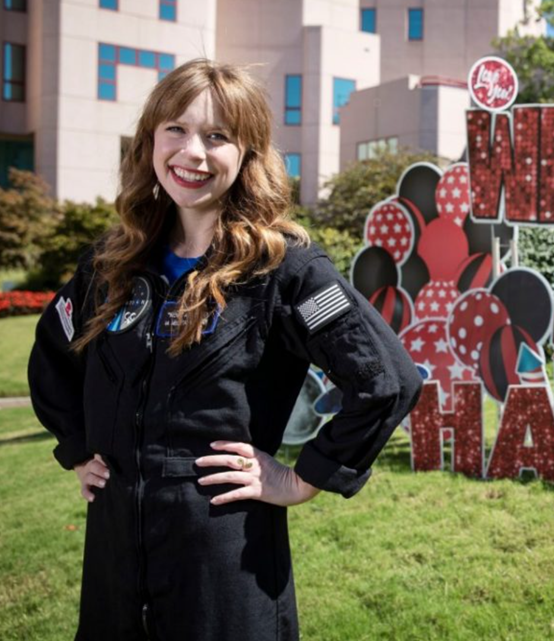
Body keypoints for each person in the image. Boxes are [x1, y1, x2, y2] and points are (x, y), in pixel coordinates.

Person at [27, 59, 423, 640]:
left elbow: (387, 378)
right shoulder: (110, 264)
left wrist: (301, 479)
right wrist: (78, 447)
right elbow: (53, 354)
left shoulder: (284, 269)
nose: (193, 153)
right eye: (177, 130)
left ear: (246, 155)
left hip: (224, 571)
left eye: (218, 136)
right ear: (151, 141)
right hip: (113, 564)